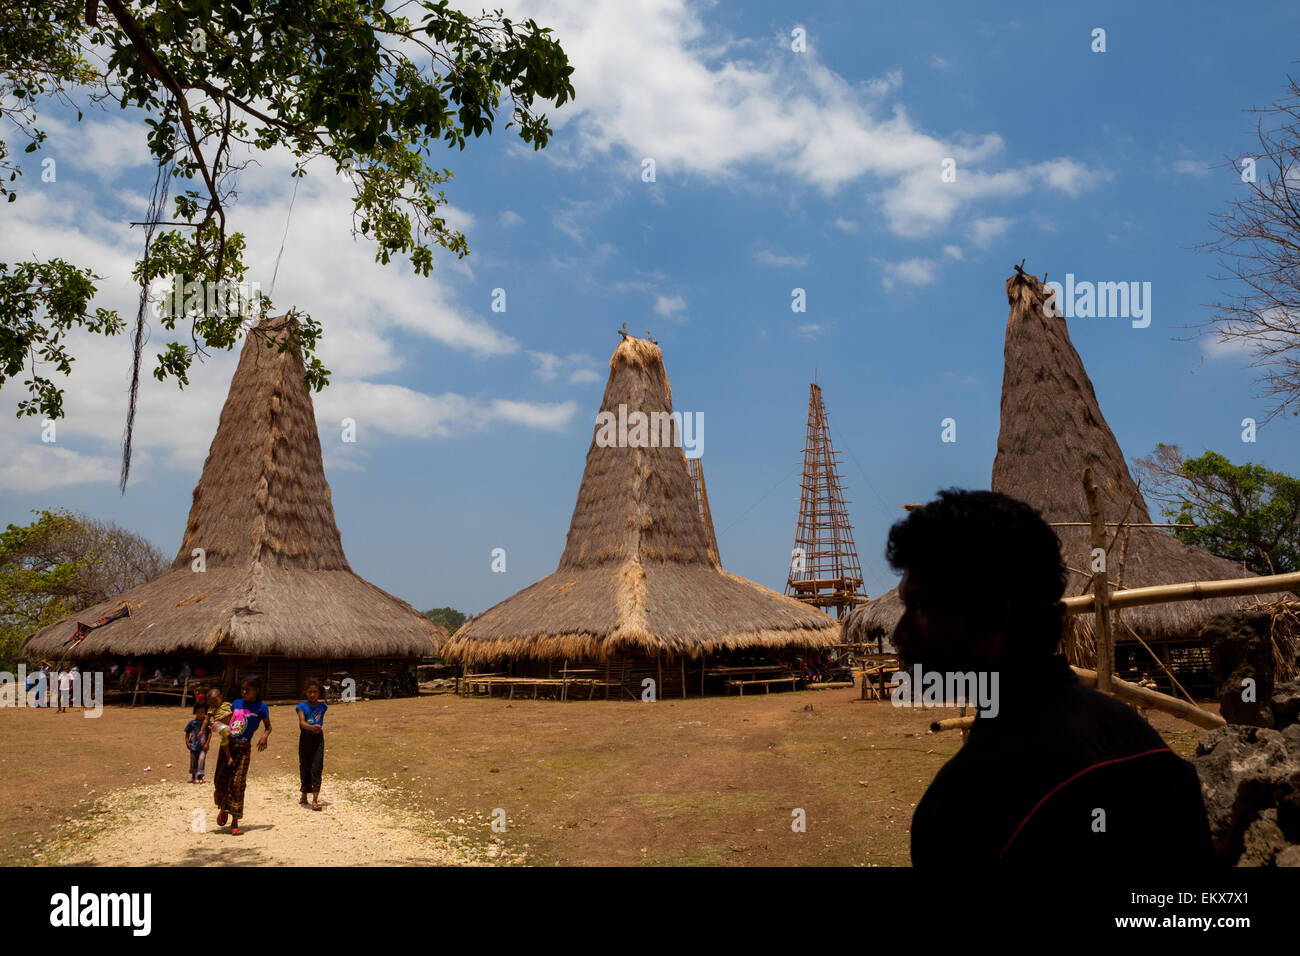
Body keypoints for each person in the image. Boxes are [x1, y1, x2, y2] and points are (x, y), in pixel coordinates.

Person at [888, 489, 1214, 866]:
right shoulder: (1142, 744)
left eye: (921, 609)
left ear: (993, 612)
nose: (900, 635)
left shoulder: (967, 804)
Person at [213, 676, 271, 835]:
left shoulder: (261, 708)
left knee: (238, 784)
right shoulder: (236, 703)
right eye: (243, 689)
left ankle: (235, 822)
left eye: (248, 689)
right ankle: (224, 807)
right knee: (221, 780)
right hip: (227, 747)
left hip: (243, 749)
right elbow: (229, 721)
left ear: (257, 690)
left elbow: (268, 727)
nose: (244, 692)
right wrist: (217, 723)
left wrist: (264, 736)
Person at [296, 679, 328, 810]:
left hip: (318, 739)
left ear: (319, 693)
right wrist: (311, 727)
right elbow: (302, 723)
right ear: (306, 693)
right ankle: (304, 793)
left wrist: (316, 728)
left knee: (317, 767)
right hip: (305, 738)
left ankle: (315, 800)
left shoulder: (323, 707)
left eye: (315, 692)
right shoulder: (301, 707)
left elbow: (319, 720)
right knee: (305, 766)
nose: (313, 695)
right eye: (310, 692)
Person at [185, 703, 210, 783]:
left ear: (205, 713)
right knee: (193, 761)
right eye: (198, 712)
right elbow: (187, 733)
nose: (200, 714)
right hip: (193, 746)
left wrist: (207, 743)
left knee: (201, 760)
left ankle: (200, 777)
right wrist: (187, 743)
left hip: (203, 746)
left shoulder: (206, 723)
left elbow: (210, 733)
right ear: (195, 712)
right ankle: (193, 777)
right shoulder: (191, 723)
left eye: (202, 712)